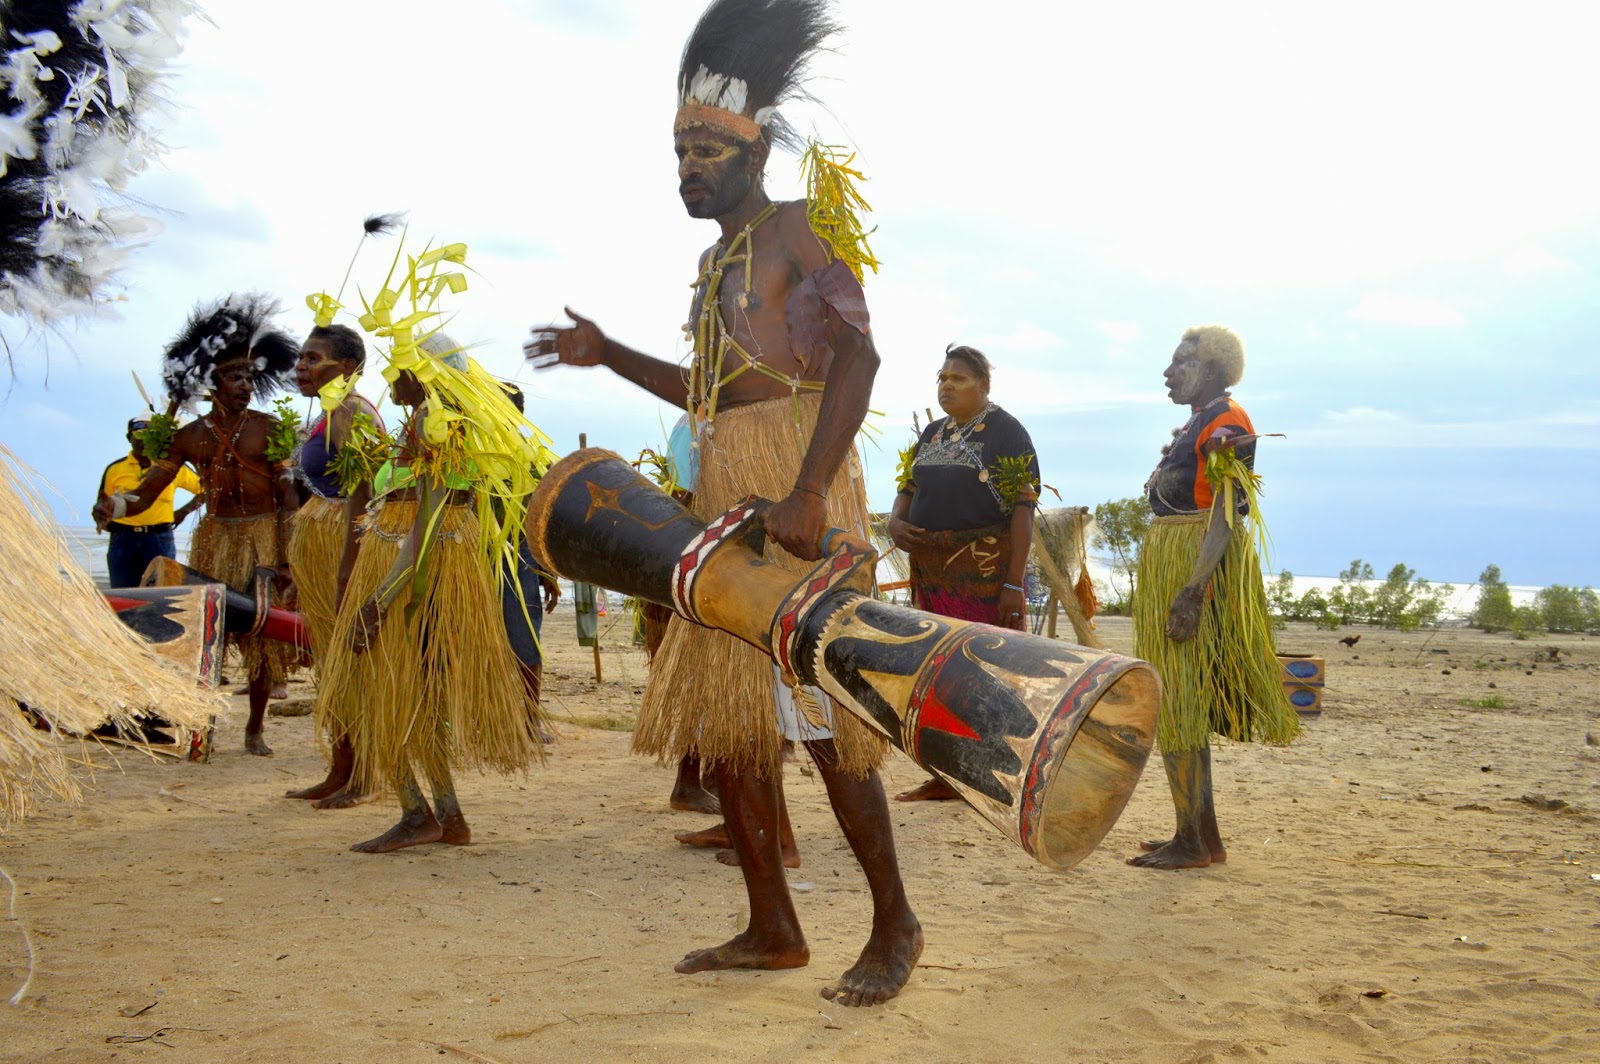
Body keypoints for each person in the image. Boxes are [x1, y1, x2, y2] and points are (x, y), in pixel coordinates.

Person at [526, 0, 920, 1008]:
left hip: (795, 484)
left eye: (705, 150)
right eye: (678, 154)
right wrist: (607, 352)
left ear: (752, 148)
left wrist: (805, 491)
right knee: (734, 720)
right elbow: (708, 395)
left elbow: (859, 354)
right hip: (725, 490)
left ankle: (894, 922)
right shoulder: (711, 267)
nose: (687, 169)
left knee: (831, 718)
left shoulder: (797, 230)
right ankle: (771, 922)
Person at [319, 327, 544, 854]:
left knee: (387, 687)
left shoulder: (435, 425)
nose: (388, 377)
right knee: (412, 692)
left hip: (418, 572)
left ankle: (420, 813)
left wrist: (379, 600)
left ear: (423, 375)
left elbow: (426, 523)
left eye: (396, 367)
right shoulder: (438, 422)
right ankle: (444, 813)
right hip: (434, 564)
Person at [95, 294, 300, 756]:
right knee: (208, 632)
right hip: (216, 538)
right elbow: (145, 495)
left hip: (264, 537)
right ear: (212, 383)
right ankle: (201, 725)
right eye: (234, 377)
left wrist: (287, 554)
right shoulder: (188, 436)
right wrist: (114, 507)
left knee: (264, 634)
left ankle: (255, 728)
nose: (245, 385)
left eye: (249, 376)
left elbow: (285, 498)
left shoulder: (269, 429)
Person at [1128, 326, 1298, 870]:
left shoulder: (1227, 422)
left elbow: (1227, 510)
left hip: (1193, 562)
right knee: (1181, 705)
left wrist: (1192, 590)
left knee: (1176, 702)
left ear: (1212, 369)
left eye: (1180, 362)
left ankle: (1192, 841)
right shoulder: (1201, 422)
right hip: (1180, 558)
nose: (1168, 372)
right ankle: (1200, 834)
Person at [887, 344, 1040, 802]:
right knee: (938, 667)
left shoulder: (1007, 433)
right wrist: (896, 523)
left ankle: (985, 772)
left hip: (984, 572)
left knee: (983, 670)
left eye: (958, 378)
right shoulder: (933, 433)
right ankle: (946, 773)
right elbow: (906, 489)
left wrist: (1014, 582)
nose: (946, 385)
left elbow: (1024, 509)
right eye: (941, 378)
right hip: (932, 576)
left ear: (984, 385)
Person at [283, 324, 386, 806]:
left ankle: (364, 774)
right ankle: (340, 768)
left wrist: (348, 571)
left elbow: (367, 499)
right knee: (333, 663)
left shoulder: (350, 411)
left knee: (351, 663)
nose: (301, 366)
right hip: (326, 547)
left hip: (347, 548)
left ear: (346, 366)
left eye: (313, 358)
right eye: (301, 358)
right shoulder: (330, 411)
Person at [95, 417, 205, 587]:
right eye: (138, 436)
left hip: (158, 538)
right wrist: (102, 516)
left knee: (163, 593)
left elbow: (205, 489)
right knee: (124, 594)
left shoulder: (170, 467)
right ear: (129, 437)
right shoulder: (114, 469)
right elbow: (103, 503)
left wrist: (183, 512)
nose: (143, 441)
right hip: (123, 540)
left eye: (149, 436)